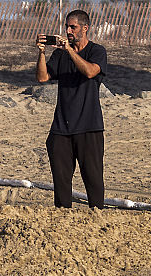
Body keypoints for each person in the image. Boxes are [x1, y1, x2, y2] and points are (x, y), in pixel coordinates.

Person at [35, 10, 107, 209]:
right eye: (67, 26)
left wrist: (69, 51)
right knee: (61, 182)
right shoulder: (60, 54)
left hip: (89, 127)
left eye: (72, 27)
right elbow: (42, 77)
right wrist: (41, 52)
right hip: (61, 129)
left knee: (93, 180)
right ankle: (62, 221)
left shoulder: (97, 51)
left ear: (85, 28)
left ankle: (97, 219)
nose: (68, 31)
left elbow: (91, 71)